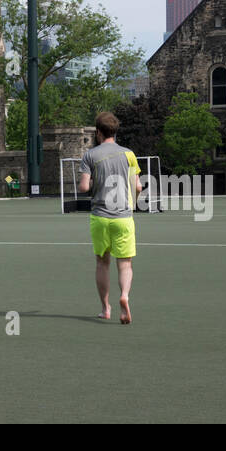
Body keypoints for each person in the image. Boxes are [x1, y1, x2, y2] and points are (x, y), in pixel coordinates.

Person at [77, 111, 142, 324]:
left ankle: (106, 308)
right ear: (115, 131)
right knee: (125, 264)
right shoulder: (129, 154)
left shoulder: (90, 156)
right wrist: (132, 201)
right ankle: (124, 295)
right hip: (123, 216)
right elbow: (138, 186)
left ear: (98, 132)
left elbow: (84, 187)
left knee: (102, 263)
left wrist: (95, 184)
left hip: (100, 217)